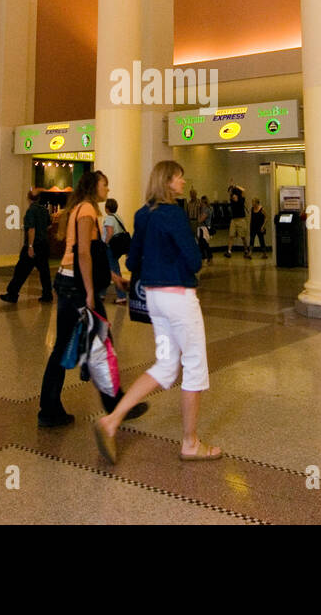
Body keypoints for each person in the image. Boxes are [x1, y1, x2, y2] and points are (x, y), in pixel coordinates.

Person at [96, 161, 218, 464]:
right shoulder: (173, 213)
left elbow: (134, 258)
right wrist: (186, 265)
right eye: (180, 177)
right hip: (179, 298)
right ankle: (190, 443)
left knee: (165, 365)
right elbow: (193, 257)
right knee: (194, 366)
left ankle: (112, 420)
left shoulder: (142, 214)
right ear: (168, 181)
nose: (183, 182)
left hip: (154, 299)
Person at [37, 170, 147, 428]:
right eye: (104, 185)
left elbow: (91, 255)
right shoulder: (86, 211)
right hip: (76, 288)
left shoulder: (81, 209)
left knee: (67, 346)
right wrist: (89, 292)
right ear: (93, 186)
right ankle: (114, 404)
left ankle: (49, 408)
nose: (107, 189)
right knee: (101, 343)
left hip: (68, 283)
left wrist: (112, 277)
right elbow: (84, 254)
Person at [1, 189, 52, 303]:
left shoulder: (31, 211)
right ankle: (47, 294)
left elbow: (31, 229)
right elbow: (49, 226)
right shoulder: (44, 210)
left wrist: (30, 246)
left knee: (21, 270)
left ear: (28, 199)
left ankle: (12, 293)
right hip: (43, 244)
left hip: (33, 245)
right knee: (44, 271)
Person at [102, 198, 129, 305]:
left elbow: (109, 232)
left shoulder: (109, 218)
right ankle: (101, 293)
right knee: (108, 269)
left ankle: (121, 296)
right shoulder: (118, 217)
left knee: (113, 270)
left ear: (107, 208)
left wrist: (105, 244)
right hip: (117, 248)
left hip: (110, 247)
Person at [225, 183, 250, 258]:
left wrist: (236, 186)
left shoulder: (241, 200)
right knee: (231, 235)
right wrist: (231, 186)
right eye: (233, 197)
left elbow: (243, 190)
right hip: (234, 220)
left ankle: (246, 250)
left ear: (237, 195)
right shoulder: (232, 201)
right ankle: (229, 251)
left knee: (243, 237)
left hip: (241, 219)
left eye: (235, 196)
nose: (234, 198)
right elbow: (229, 191)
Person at [196, 195, 213, 264]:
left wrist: (198, 215)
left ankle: (209, 256)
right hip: (202, 228)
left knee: (204, 243)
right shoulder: (208, 209)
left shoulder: (206, 210)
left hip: (204, 228)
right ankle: (204, 257)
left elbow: (200, 220)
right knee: (201, 244)